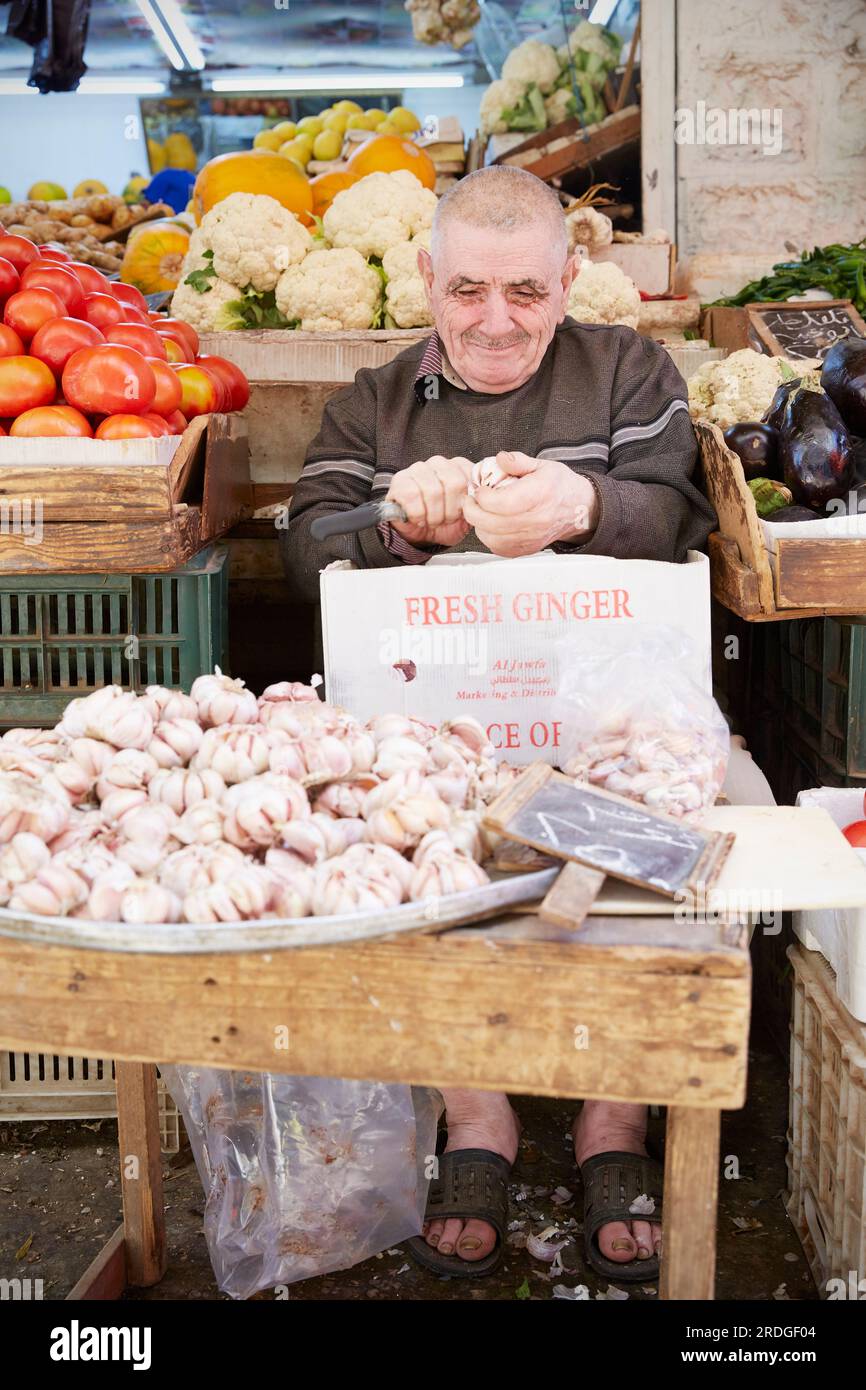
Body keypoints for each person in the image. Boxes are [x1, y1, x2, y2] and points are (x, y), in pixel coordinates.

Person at [282, 164, 718, 1283]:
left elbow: (676, 510)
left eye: (525, 293)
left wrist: (585, 506)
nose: (492, 320)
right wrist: (398, 525)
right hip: (433, 737)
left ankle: (610, 1124)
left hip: (606, 730)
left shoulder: (630, 370)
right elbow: (303, 551)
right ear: (426, 276)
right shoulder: (369, 403)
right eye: (466, 289)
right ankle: (474, 1119)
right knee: (397, 846)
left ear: (569, 279)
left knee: (665, 827)